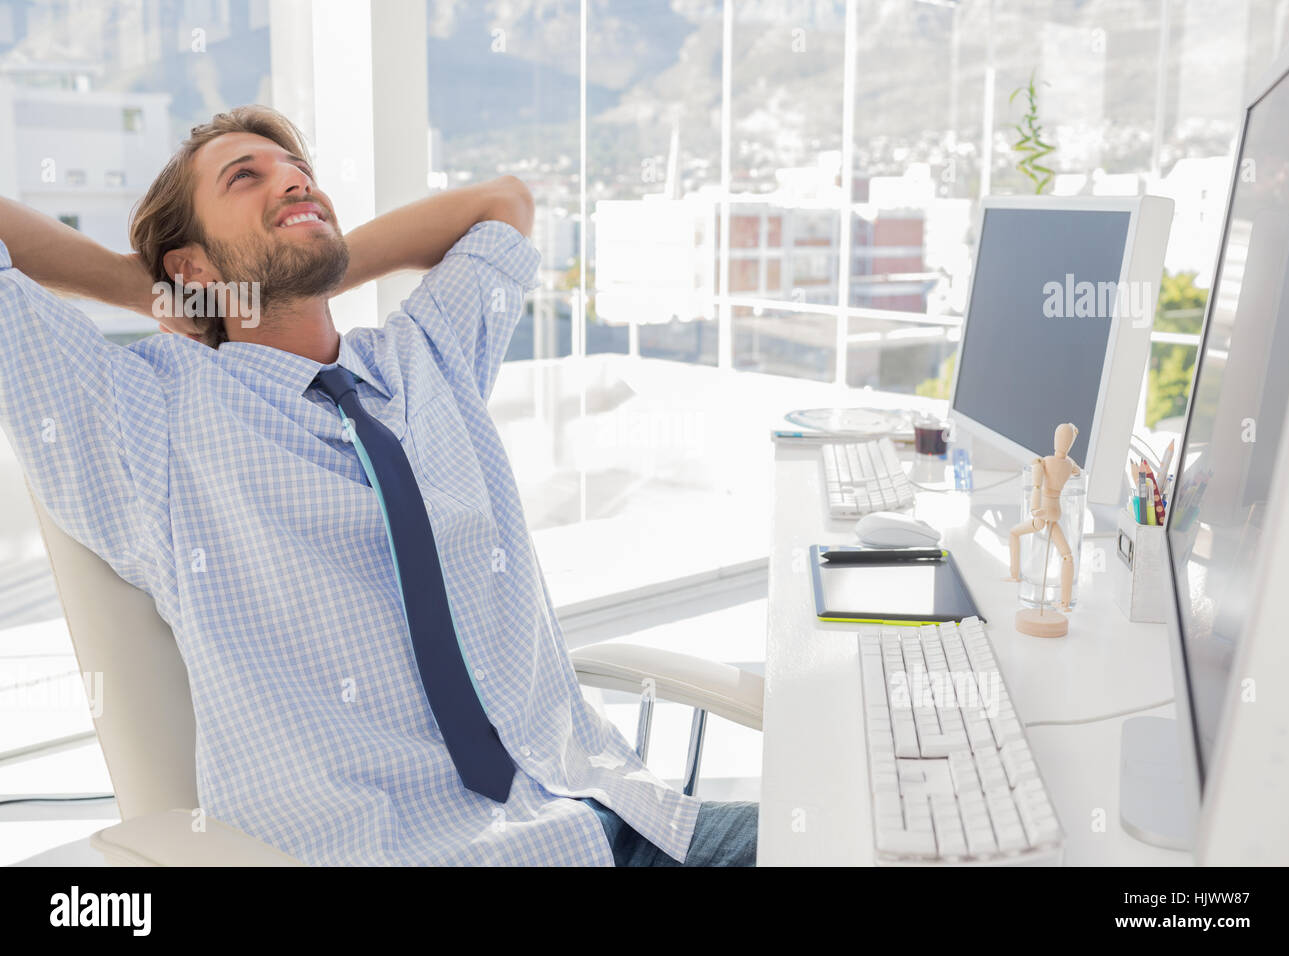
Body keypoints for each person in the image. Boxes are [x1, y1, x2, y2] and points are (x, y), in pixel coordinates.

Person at [0, 104, 756, 866]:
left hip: (623, 816)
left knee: (861, 831)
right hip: (411, 853)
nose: (294, 182)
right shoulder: (151, 418)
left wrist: (293, 260)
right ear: (190, 263)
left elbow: (505, 205)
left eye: (301, 174)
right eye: (246, 177)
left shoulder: (425, 358)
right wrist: (170, 298)